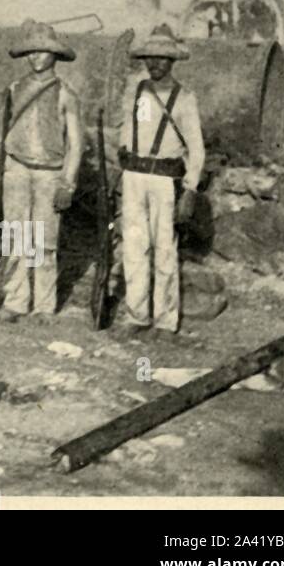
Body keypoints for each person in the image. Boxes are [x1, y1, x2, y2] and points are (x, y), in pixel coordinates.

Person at [116, 24, 206, 335]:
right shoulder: (136, 91)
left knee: (165, 250)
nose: (154, 63)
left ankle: (165, 321)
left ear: (173, 61)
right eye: (149, 57)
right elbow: (129, 131)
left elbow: (196, 148)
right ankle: (137, 315)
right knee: (134, 247)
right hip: (134, 177)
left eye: (162, 58)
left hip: (166, 181)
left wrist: (190, 189)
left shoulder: (185, 98)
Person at [0, 20, 83, 323]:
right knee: (15, 236)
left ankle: (44, 305)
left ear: (54, 55)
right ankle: (15, 300)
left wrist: (67, 184)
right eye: (31, 51)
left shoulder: (65, 94)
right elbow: (2, 133)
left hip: (49, 173)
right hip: (17, 169)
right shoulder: (14, 90)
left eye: (43, 51)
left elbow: (75, 144)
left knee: (44, 241)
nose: (36, 57)